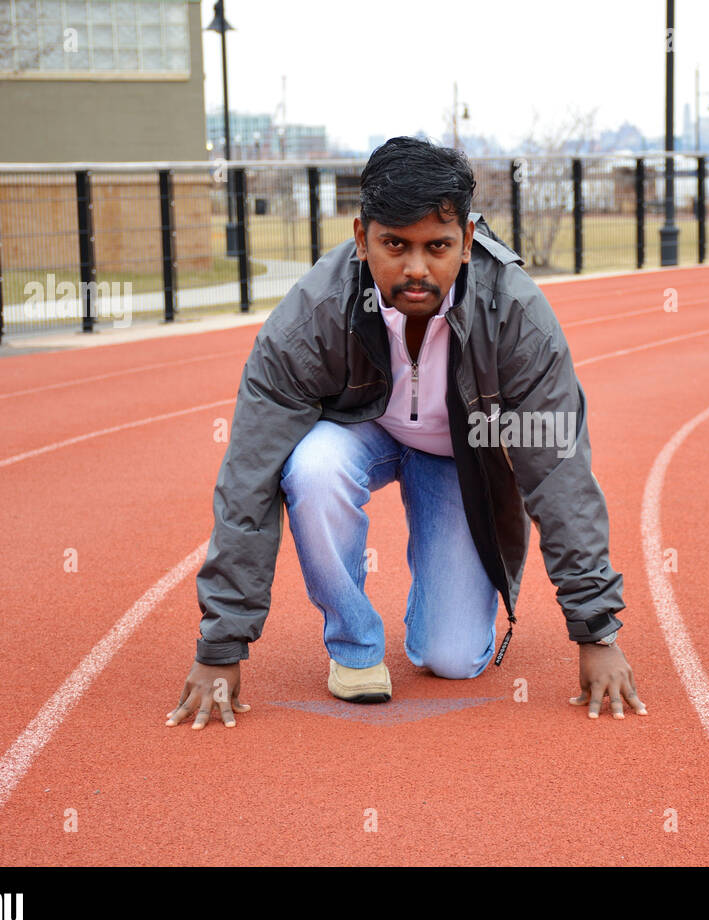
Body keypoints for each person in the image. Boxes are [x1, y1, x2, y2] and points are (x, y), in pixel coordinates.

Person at [166, 136, 646, 730]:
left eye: (437, 247)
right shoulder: (316, 311)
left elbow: (558, 473)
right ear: (361, 236)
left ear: (468, 242)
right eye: (395, 245)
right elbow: (249, 472)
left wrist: (595, 630)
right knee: (309, 467)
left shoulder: (517, 317)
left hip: (457, 457)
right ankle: (355, 646)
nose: (416, 269)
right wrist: (221, 647)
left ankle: (438, 616)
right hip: (360, 430)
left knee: (452, 659)